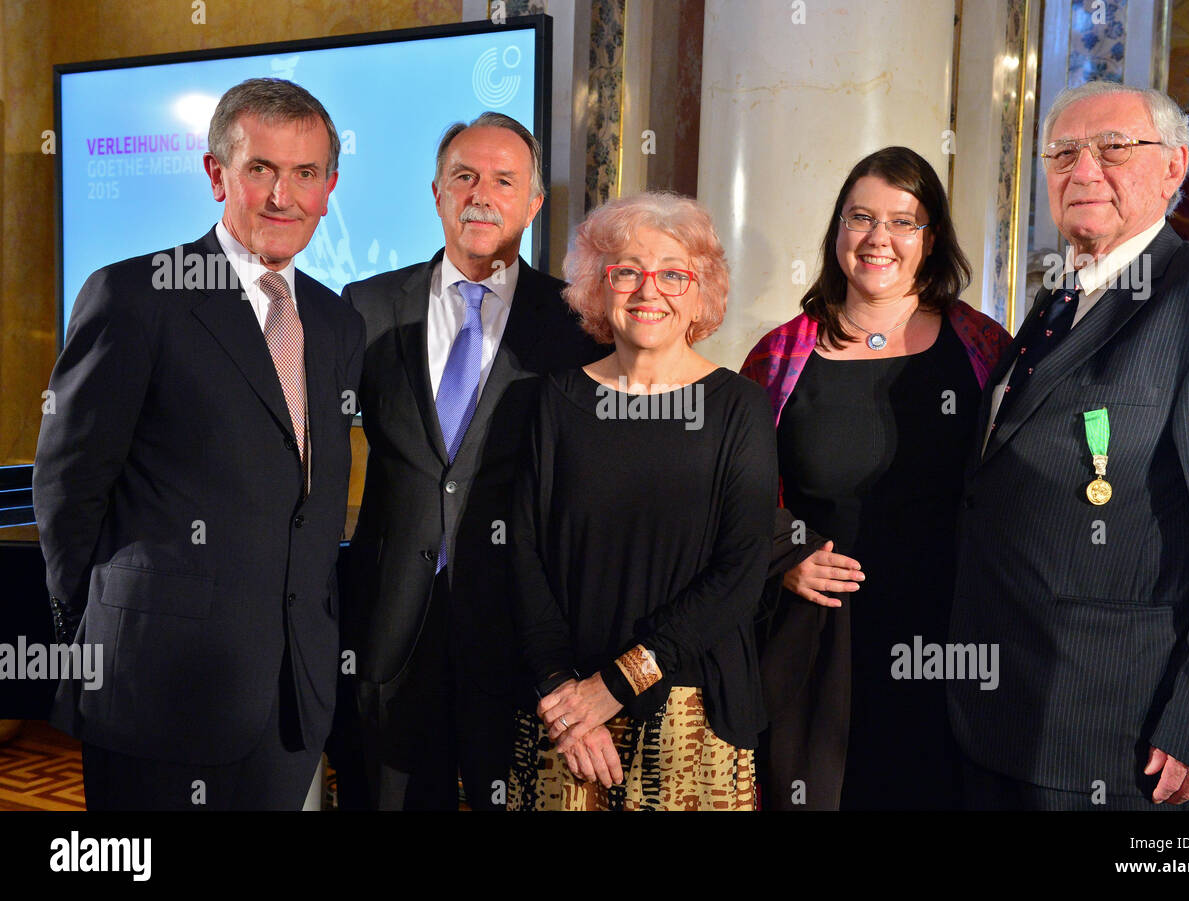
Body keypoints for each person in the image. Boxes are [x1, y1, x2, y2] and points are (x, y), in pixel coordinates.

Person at [948, 81, 1189, 810]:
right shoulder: (1055, 303)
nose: (1083, 171)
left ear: (1175, 167)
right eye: (1064, 153)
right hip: (1001, 713)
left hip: (1121, 736)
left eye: (1113, 148)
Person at [33, 78, 363, 810]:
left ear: (329, 187)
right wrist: (99, 628)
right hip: (155, 688)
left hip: (290, 698)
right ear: (217, 174)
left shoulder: (338, 323)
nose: (284, 196)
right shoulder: (135, 294)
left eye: (305, 174)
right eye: (261, 170)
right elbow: (68, 487)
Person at [341, 112, 603, 810]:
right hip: (389, 625)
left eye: (504, 180)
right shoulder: (364, 306)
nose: (481, 194)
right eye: (465, 176)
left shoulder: (576, 322)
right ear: (436, 193)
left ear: (533, 203)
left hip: (518, 631)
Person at [741, 147, 1011, 810]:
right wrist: (785, 557)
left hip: (950, 642)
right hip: (815, 643)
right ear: (837, 231)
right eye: (860, 217)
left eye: (903, 221)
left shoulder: (984, 347)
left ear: (934, 237)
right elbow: (732, 495)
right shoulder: (779, 355)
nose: (878, 238)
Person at [507, 191, 777, 811]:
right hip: (564, 716)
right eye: (626, 270)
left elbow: (740, 572)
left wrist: (614, 686)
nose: (647, 290)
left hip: (692, 715)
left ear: (700, 290)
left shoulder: (739, 407)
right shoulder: (554, 399)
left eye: (672, 273)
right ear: (598, 287)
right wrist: (564, 693)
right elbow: (521, 553)